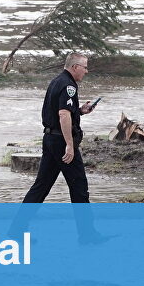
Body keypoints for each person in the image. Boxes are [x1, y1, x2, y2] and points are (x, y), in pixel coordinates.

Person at [21, 52, 96, 204]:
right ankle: (85, 221)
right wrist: (69, 145)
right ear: (75, 67)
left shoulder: (57, 81)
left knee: (41, 186)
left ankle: (21, 220)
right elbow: (63, 115)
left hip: (50, 139)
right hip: (61, 141)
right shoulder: (69, 85)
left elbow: (58, 112)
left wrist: (80, 111)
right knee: (79, 186)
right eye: (85, 67)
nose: (86, 71)